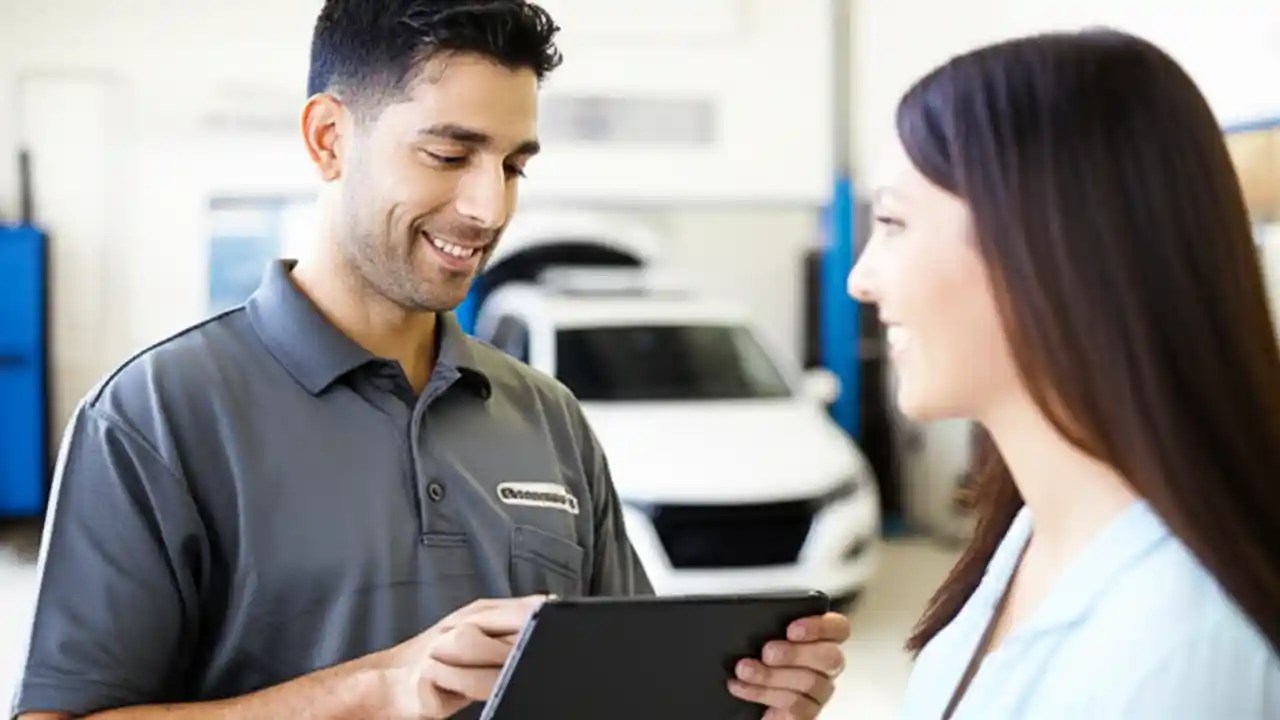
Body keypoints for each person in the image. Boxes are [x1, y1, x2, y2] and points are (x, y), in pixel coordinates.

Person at [11, 2, 850, 719]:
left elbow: (621, 695)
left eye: (514, 164)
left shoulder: (546, 415)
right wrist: (380, 688)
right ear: (330, 138)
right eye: (449, 155)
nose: (490, 207)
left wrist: (740, 702)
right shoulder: (157, 415)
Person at [849, 29, 1280, 719]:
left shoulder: (1182, 656)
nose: (860, 280)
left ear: (1045, 247)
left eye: (894, 223)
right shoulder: (1039, 532)